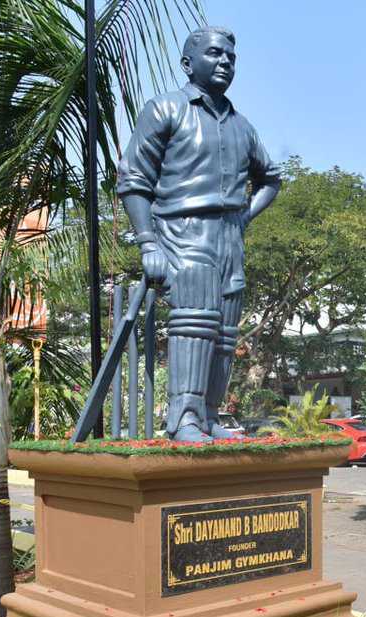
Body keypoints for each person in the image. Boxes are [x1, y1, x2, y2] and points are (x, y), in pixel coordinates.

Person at [117, 26, 282, 442]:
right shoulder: (166, 109)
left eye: (231, 56)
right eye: (215, 54)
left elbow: (271, 179)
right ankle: (183, 419)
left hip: (229, 236)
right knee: (194, 325)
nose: (225, 62)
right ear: (188, 63)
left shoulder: (243, 126)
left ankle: (208, 415)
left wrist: (244, 217)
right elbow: (133, 180)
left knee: (224, 334)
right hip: (183, 230)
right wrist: (148, 242)